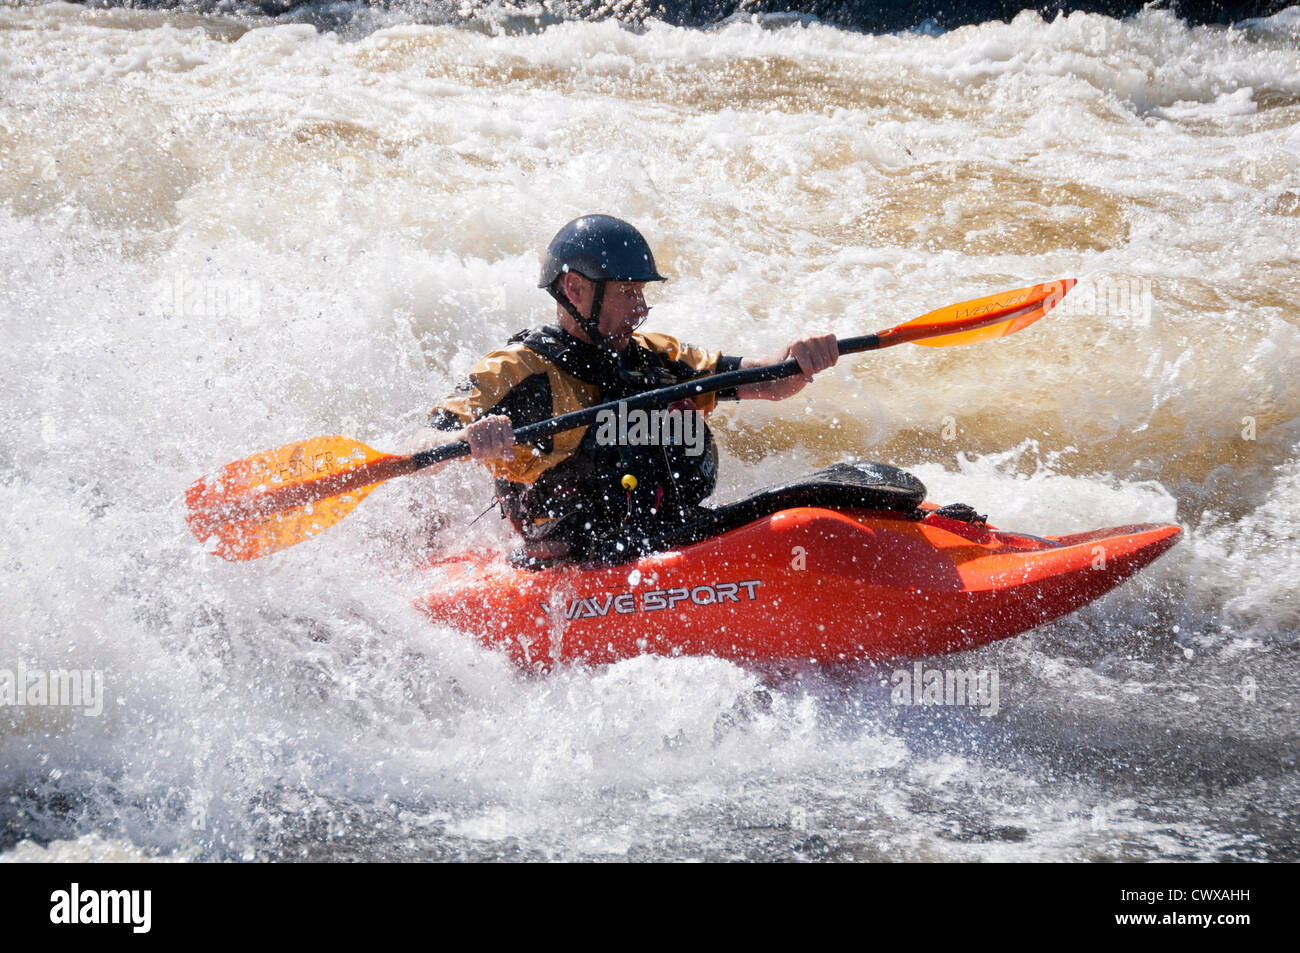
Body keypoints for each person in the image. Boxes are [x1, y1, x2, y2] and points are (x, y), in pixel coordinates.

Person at [403, 214, 838, 563]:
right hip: (569, 562)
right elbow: (420, 446)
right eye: (627, 293)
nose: (642, 308)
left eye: (642, 293)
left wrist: (800, 358)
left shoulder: (657, 356)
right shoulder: (517, 369)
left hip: (671, 535)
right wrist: (465, 437)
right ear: (575, 288)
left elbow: (771, 381)